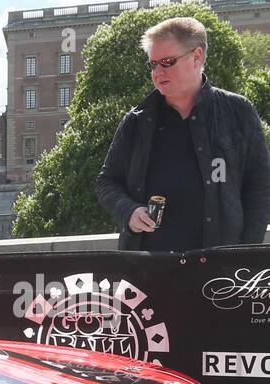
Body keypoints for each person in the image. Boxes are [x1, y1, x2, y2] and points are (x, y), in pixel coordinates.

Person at [97, 16, 270, 252]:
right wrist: (128, 211)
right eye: (153, 64)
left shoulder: (238, 111)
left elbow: (260, 186)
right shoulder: (136, 120)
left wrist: (243, 254)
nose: (158, 72)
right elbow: (107, 182)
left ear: (197, 56)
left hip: (219, 269)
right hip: (149, 267)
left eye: (167, 62)